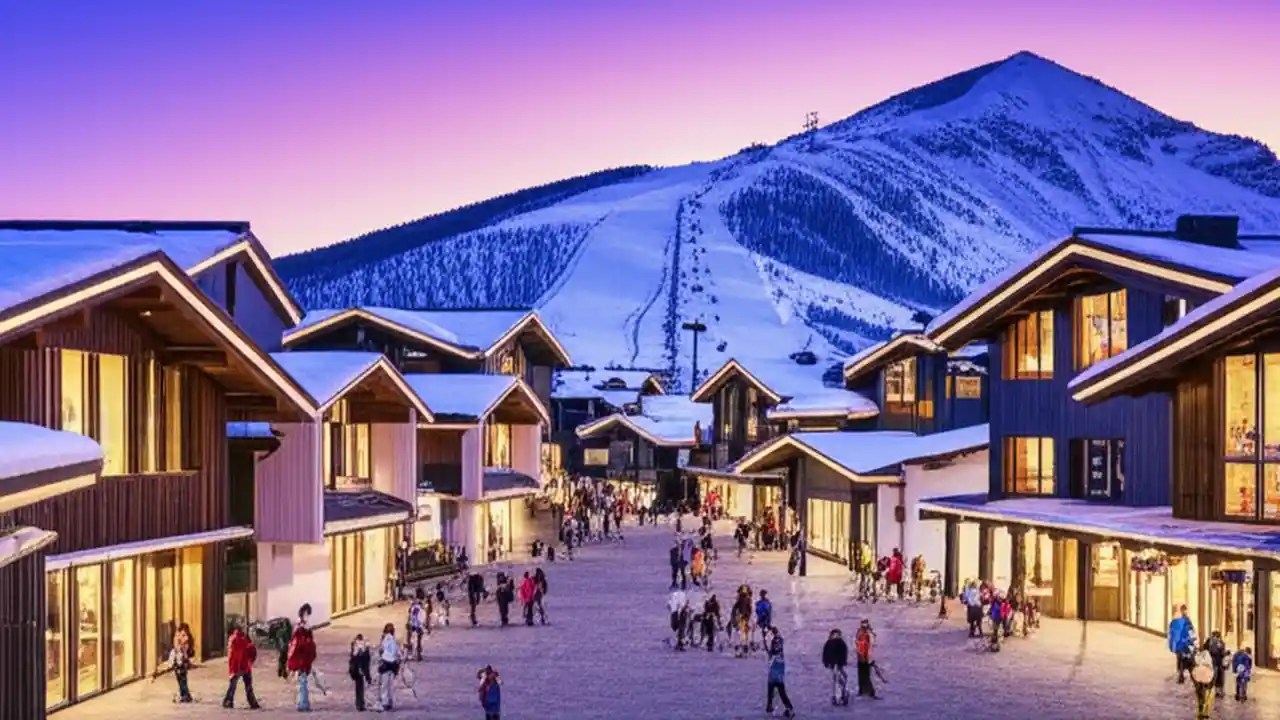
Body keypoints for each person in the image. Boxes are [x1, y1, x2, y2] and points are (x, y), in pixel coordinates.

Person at [287, 604, 318, 711]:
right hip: (301, 659)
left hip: (304, 659)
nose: (308, 616)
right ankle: (303, 704)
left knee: (302, 681)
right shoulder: (301, 628)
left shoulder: (302, 627)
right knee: (302, 681)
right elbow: (299, 645)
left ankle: (302, 703)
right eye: (307, 614)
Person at [223, 623, 261, 709]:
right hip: (245, 665)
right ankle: (252, 702)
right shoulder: (244, 639)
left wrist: (232, 668)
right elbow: (251, 650)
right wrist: (250, 661)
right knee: (248, 686)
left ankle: (228, 701)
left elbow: (232, 655)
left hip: (236, 666)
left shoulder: (233, 639)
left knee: (233, 686)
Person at [764, 628, 795, 717]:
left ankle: (772, 706)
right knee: (777, 688)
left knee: (775, 687)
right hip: (778, 666)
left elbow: (773, 651)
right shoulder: (778, 640)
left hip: (776, 666)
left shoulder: (776, 641)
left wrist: (768, 648)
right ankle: (773, 706)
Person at [167, 625, 196, 703]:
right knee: (180, 679)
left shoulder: (185, 638)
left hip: (182, 660)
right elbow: (176, 647)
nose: (180, 635)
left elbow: (183, 649)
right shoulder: (180, 636)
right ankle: (184, 695)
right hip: (178, 660)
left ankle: (185, 695)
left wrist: (179, 641)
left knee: (182, 679)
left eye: (183, 633)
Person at [378, 623, 402, 712]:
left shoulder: (385, 639)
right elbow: (397, 652)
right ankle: (390, 701)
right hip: (393, 665)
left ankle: (385, 702)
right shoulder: (394, 640)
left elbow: (381, 650)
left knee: (384, 685)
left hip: (385, 663)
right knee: (390, 684)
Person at [822, 628, 850, 706]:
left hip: (838, 664)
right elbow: (825, 654)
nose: (836, 636)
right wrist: (826, 662)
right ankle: (839, 695)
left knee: (840, 678)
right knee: (836, 679)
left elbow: (844, 654)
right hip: (833, 664)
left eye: (837, 635)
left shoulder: (841, 643)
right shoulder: (829, 643)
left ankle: (841, 694)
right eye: (835, 634)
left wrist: (843, 662)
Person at [1168, 604, 1195, 683]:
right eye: (1184, 610)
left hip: (1180, 644)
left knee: (1182, 659)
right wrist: (1193, 641)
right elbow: (1190, 631)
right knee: (1185, 660)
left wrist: (1171, 645)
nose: (1184, 612)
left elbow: (1172, 634)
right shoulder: (1185, 620)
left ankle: (1182, 676)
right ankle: (1184, 676)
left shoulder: (1176, 621)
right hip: (1183, 643)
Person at [349, 634, 373, 712]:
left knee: (359, 687)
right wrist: (368, 676)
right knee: (360, 686)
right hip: (359, 670)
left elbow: (352, 660)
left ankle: (359, 703)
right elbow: (366, 663)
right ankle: (360, 704)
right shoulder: (364, 651)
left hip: (357, 670)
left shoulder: (355, 648)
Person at [854, 619, 877, 699]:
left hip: (866, 657)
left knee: (866, 674)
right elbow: (859, 645)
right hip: (862, 657)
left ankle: (868, 691)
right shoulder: (861, 633)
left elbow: (870, 644)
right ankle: (864, 690)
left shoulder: (868, 633)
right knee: (863, 674)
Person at [1204, 630, 1228, 697]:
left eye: (1217, 636)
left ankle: (1218, 691)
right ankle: (1213, 691)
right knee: (1215, 677)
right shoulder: (1211, 642)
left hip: (1217, 662)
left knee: (1219, 677)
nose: (1216, 638)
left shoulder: (1219, 642)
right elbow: (1211, 651)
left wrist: (1224, 653)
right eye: (1216, 636)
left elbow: (1222, 652)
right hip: (1214, 662)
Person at [407, 595, 427, 660]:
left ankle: (410, 654)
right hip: (418, 626)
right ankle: (418, 655)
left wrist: (409, 623)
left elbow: (411, 617)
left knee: (410, 640)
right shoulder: (421, 609)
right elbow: (423, 619)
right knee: (418, 641)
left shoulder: (413, 608)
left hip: (413, 625)